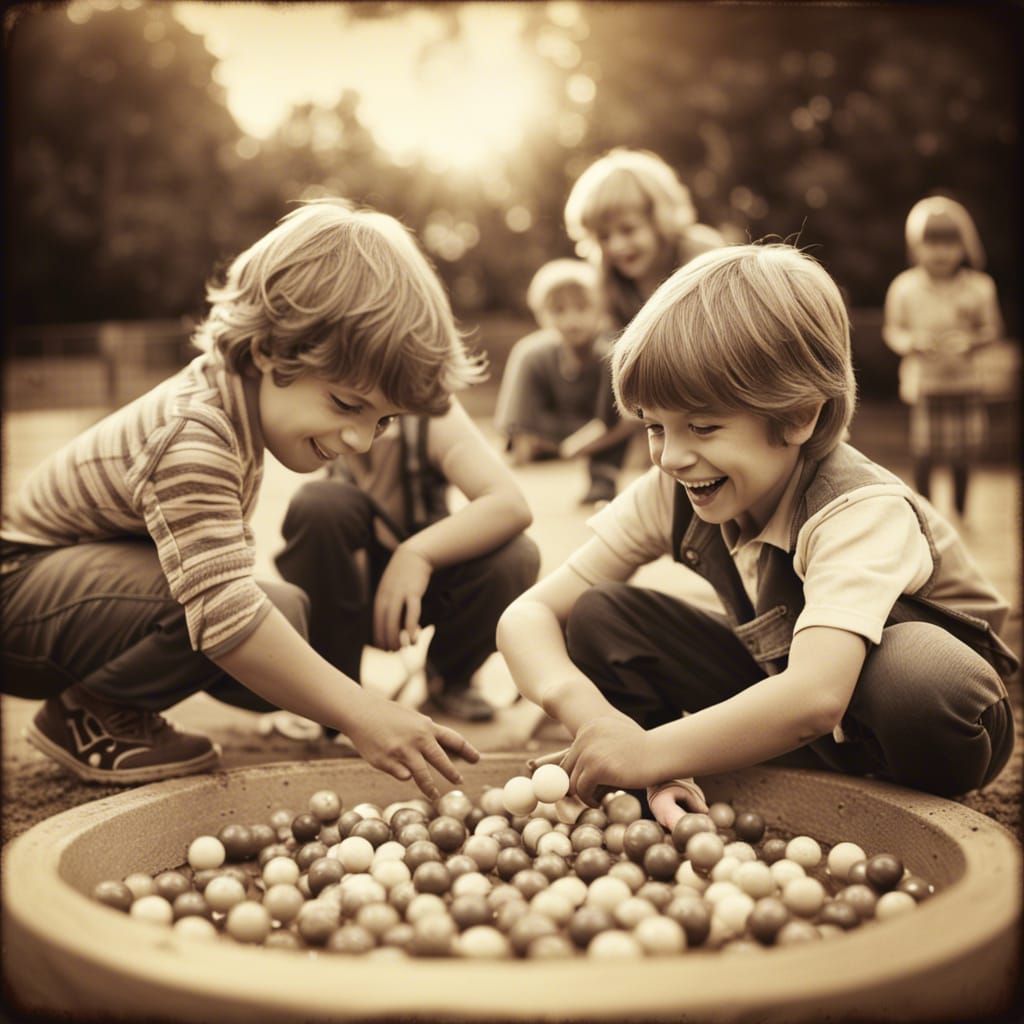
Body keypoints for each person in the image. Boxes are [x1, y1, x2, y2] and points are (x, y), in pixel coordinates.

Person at [497, 243, 1017, 829]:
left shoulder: (857, 508)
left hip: (917, 725)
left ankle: (888, 798)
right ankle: (688, 772)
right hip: (791, 695)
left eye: (703, 426)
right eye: (653, 426)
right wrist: (600, 721)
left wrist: (646, 750)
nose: (671, 456)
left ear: (800, 416)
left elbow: (818, 694)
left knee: (919, 677)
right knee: (599, 615)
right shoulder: (675, 484)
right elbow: (526, 616)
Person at [1, 198, 488, 797]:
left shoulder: (232, 406)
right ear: (269, 351)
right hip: (17, 593)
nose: (361, 439)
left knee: (281, 617)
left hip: (58, 592)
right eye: (345, 404)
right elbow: (223, 611)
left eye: (383, 421)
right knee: (250, 618)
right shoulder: (193, 435)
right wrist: (363, 713)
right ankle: (87, 714)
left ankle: (102, 702)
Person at [271, 398, 540, 725]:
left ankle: (449, 680)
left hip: (420, 586)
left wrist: (416, 554)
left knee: (516, 555)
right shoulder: (316, 394)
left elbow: (511, 506)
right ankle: (329, 696)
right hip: (338, 587)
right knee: (319, 504)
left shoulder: (430, 410)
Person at [557, 147, 726, 502]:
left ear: (659, 219)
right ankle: (604, 471)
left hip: (715, 367)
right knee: (613, 359)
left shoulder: (699, 254)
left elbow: (723, 334)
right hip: (654, 377)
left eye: (628, 229)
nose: (618, 245)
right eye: (604, 237)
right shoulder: (612, 282)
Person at [883, 196, 1003, 519]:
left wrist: (970, 342)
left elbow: (993, 329)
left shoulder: (979, 287)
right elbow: (893, 331)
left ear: (964, 246)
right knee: (924, 453)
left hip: (965, 383)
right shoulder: (904, 288)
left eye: (949, 243)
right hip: (924, 385)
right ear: (916, 247)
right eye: (931, 243)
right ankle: (927, 514)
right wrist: (913, 343)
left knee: (964, 454)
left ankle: (960, 511)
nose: (940, 252)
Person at [493, 258, 628, 504]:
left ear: (600, 308)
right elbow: (517, 426)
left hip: (605, 435)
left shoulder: (613, 350)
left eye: (582, 307)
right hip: (557, 434)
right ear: (541, 314)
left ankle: (602, 478)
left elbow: (627, 419)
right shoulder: (533, 354)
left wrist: (578, 446)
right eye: (559, 310)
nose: (571, 320)